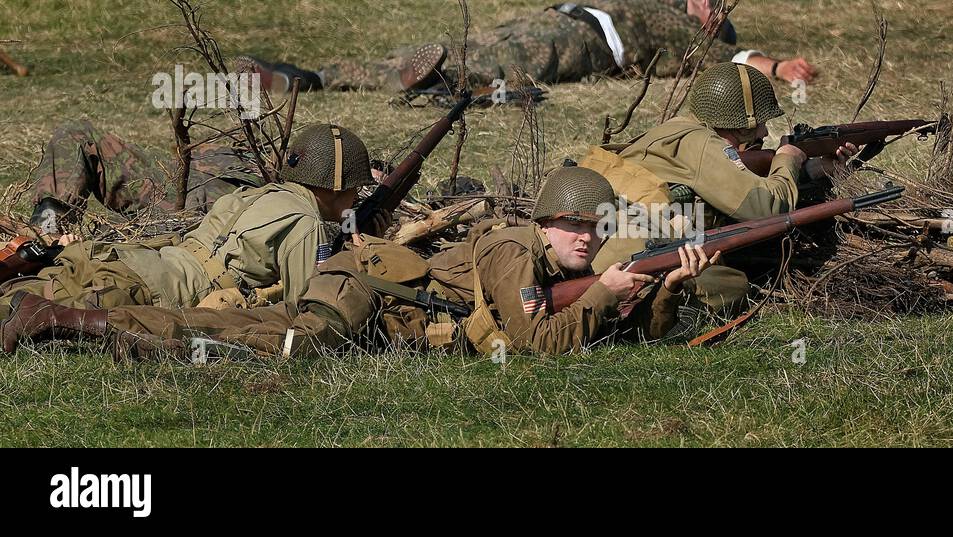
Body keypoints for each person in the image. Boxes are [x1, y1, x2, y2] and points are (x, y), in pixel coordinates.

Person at [0, 166, 720, 358]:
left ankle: (63, 316)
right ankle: (63, 319)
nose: (585, 239)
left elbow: (615, 335)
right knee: (279, 343)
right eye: (574, 226)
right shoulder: (513, 248)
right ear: (545, 221)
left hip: (383, 309)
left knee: (260, 336)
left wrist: (665, 291)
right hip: (363, 290)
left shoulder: (552, 265)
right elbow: (538, 345)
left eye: (593, 228)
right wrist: (605, 293)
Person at [0, 124, 375, 318]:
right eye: (355, 189)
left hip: (120, 259)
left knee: (19, 296)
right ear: (336, 186)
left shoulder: (258, 195)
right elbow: (309, 314)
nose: (356, 198)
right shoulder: (305, 222)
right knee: (19, 312)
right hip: (146, 289)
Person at [581, 61, 864, 313]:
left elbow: (739, 186)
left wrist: (813, 170)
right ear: (741, 125)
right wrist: (788, 158)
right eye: (761, 122)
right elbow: (767, 209)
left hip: (606, 245)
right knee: (731, 285)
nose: (765, 132)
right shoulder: (703, 145)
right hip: (628, 260)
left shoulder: (679, 131)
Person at [238, 0, 819, 94]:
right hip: (551, 18)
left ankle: (438, 81)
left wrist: (778, 66)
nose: (710, 5)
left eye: (716, 10)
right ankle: (306, 75)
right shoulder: (659, 4)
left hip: (581, 42)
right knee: (451, 48)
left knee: (479, 64)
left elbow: (735, 60)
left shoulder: (690, 38)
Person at [25, 120, 264, 235]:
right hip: (182, 174)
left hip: (215, 204)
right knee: (77, 134)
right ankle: (44, 232)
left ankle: (68, 257)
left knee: (113, 239)